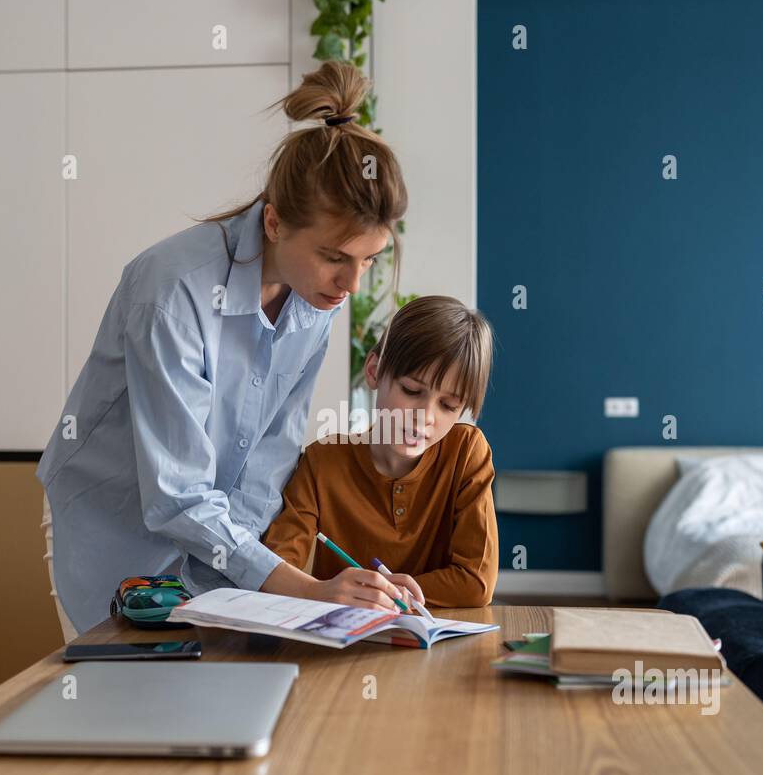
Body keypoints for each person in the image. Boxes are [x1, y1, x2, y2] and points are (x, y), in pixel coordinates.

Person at [38, 61, 410, 639]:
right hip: (109, 525)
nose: (352, 285)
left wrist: (245, 575)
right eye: (337, 257)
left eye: (370, 260)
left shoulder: (316, 299)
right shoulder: (172, 291)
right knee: (123, 712)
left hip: (209, 540)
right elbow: (176, 495)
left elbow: (270, 454)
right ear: (274, 222)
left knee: (210, 702)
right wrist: (304, 588)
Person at [261, 295, 498, 610]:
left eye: (448, 405)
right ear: (374, 371)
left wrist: (380, 593)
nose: (426, 417)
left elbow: (476, 582)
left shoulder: (467, 452)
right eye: (412, 391)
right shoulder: (324, 460)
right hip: (344, 644)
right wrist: (322, 591)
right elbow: (277, 565)